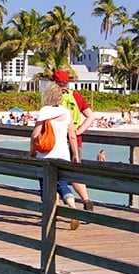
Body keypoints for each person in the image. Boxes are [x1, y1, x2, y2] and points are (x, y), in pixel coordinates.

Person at [30, 82, 81, 231]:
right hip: (63, 154)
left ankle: (49, 216)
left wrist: (32, 152)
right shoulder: (66, 112)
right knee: (62, 185)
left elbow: (35, 135)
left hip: (46, 155)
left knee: (46, 187)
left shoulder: (45, 111)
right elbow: (72, 136)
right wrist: (75, 154)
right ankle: (72, 207)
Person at [51, 70, 95, 211]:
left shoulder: (53, 97)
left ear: (54, 82)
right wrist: (79, 131)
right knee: (75, 174)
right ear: (67, 82)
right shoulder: (76, 96)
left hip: (58, 141)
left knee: (54, 175)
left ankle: (55, 210)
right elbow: (90, 117)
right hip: (76, 139)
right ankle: (86, 200)